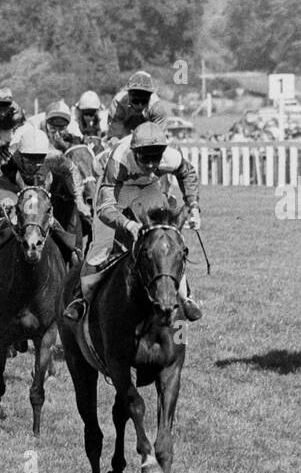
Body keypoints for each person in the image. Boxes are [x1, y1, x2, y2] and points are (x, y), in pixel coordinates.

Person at [62, 122, 202, 323]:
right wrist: (128, 224)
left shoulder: (171, 157)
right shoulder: (118, 161)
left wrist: (194, 206)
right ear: (134, 152)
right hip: (116, 187)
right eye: (145, 159)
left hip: (148, 186)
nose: (152, 165)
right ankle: (81, 299)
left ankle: (185, 297)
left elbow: (187, 173)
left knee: (167, 242)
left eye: (156, 158)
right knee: (102, 245)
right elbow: (104, 210)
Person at [0, 125, 88, 267]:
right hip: (16, 192)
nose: (34, 164)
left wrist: (79, 200)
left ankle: (72, 251)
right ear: (20, 154)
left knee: (49, 220)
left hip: (42, 193)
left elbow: (73, 170)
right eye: (29, 158)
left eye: (39, 158)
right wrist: (1, 200)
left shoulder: (56, 158)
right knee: (15, 218)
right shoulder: (9, 159)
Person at [106, 71, 173, 141]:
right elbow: (115, 136)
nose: (140, 106)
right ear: (128, 95)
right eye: (136, 101)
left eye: (144, 101)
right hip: (125, 137)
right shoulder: (118, 103)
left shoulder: (157, 108)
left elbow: (161, 139)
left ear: (150, 97)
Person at [0, 86, 27, 172]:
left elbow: (20, 134)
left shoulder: (16, 114)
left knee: (7, 154)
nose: (2, 113)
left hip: (8, 130)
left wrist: (7, 145)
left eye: (6, 107)